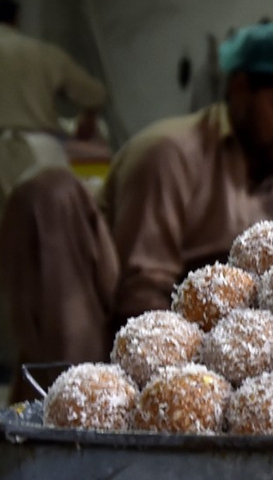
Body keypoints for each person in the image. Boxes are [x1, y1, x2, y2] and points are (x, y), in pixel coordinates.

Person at [0, 22, 273, 402]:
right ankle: (67, 410)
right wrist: (187, 384)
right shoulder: (171, 153)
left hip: (223, 360)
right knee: (50, 193)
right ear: (240, 88)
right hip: (120, 333)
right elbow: (140, 294)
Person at [0, 0, 107, 387]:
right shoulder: (42, 53)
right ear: (15, 16)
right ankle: (37, 370)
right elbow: (94, 93)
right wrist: (88, 119)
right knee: (44, 270)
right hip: (37, 159)